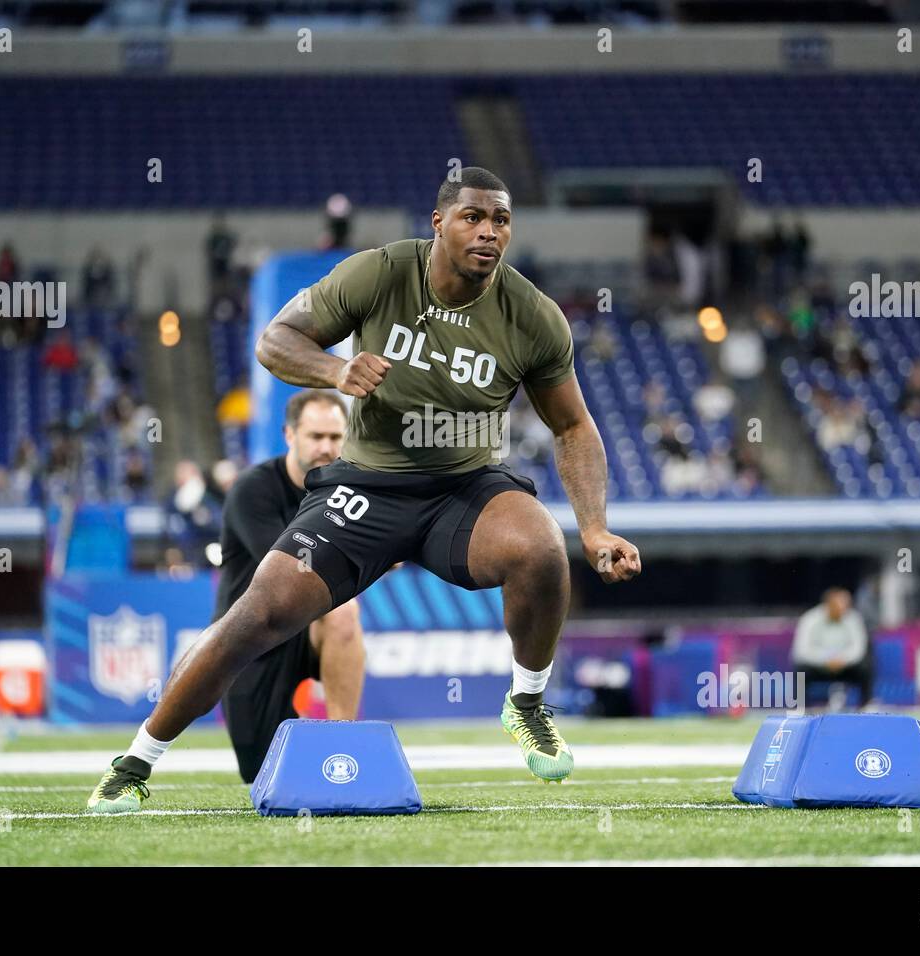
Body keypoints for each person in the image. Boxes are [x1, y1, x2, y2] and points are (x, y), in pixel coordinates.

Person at [86, 167, 641, 812]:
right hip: (367, 487)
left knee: (541, 547)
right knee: (253, 617)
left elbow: (572, 424)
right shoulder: (379, 272)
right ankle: (136, 759)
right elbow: (275, 340)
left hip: (463, 490)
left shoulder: (534, 317)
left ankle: (527, 702)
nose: (489, 231)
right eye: (473, 217)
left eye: (501, 220)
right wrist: (336, 368)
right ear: (438, 223)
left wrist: (594, 528)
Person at [217, 390, 365, 782]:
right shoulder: (253, 490)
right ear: (289, 435)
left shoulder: (353, 490)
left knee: (344, 614)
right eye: (315, 436)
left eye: (335, 437)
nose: (326, 447)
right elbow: (297, 573)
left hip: (307, 630)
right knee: (268, 776)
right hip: (251, 644)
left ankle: (342, 747)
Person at [791, 588, 874, 710]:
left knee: (866, 665)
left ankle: (867, 705)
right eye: (839, 605)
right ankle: (799, 707)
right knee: (800, 669)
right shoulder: (810, 619)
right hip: (818, 667)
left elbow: (858, 649)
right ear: (828, 604)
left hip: (845, 667)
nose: (843, 609)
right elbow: (802, 650)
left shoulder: (853, 618)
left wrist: (842, 659)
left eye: (846, 605)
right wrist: (826, 660)